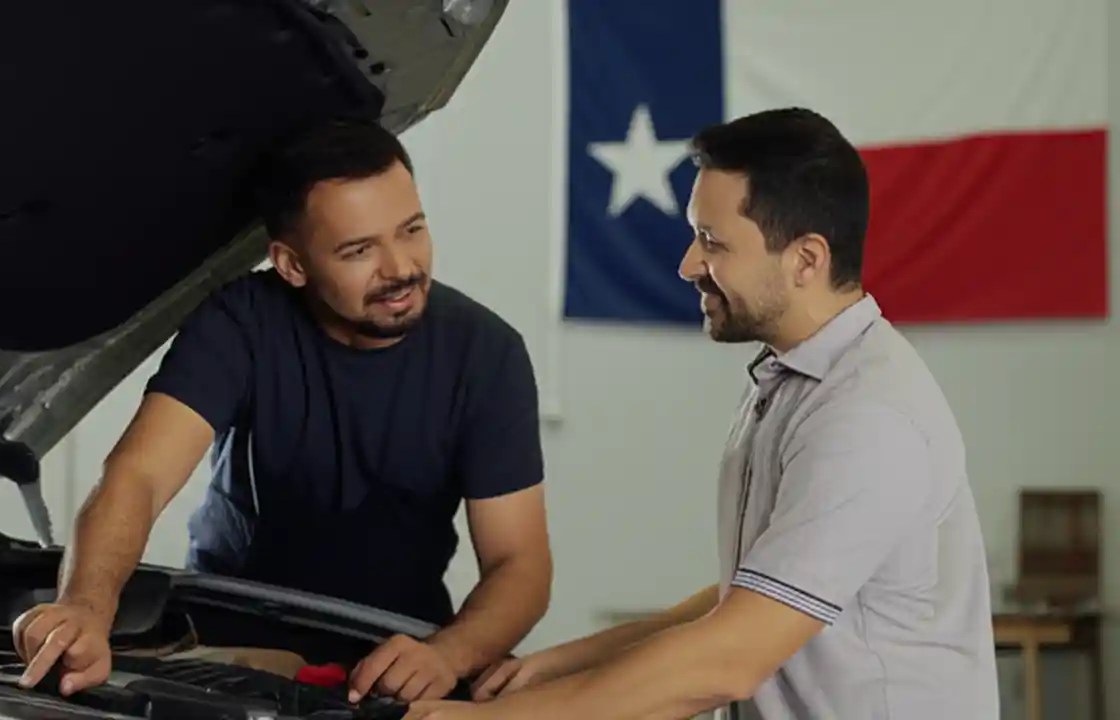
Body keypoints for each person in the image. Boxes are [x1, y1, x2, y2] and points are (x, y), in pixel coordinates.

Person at [404, 107, 999, 720]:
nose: (689, 264)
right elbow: (748, 599)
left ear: (805, 259)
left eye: (712, 241)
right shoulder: (793, 379)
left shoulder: (868, 417)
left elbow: (731, 656)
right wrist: (556, 668)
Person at [10, 117, 553, 705]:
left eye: (412, 229)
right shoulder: (239, 322)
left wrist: (450, 654)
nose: (400, 267)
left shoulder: (487, 353)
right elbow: (137, 476)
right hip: (225, 640)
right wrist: (87, 608)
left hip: (399, 655)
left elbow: (518, 563)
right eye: (359, 250)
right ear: (292, 265)